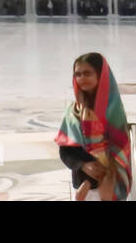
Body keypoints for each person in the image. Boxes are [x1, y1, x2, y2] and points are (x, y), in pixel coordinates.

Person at [55, 52, 132, 201]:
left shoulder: (113, 111)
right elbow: (65, 152)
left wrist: (96, 179)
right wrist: (83, 166)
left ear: (101, 75)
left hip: (110, 186)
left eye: (87, 73)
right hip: (83, 187)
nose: (82, 78)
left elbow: (119, 150)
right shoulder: (73, 112)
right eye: (78, 74)